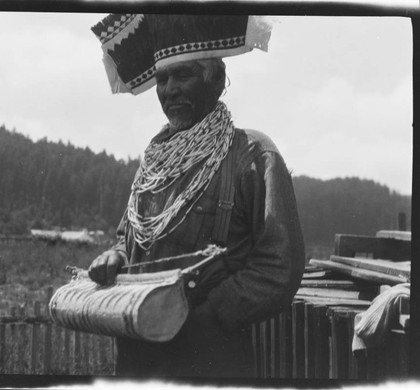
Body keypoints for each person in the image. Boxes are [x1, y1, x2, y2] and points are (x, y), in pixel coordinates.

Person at [88, 14, 306, 377]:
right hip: (138, 360)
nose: (170, 89)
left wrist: (209, 314)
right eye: (162, 79)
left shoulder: (252, 156)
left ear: (216, 80)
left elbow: (278, 267)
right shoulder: (155, 163)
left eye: (183, 75)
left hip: (210, 360)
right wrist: (115, 256)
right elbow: (133, 241)